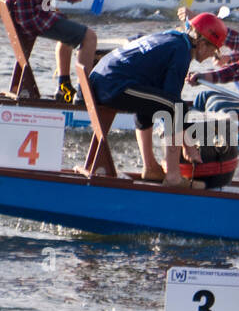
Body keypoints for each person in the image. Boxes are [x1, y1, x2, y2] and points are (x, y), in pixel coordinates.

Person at [87, 13, 226, 185]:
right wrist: (188, 145)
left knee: (152, 103)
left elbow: (161, 98)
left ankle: (150, 167)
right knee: (177, 108)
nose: (212, 56)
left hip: (100, 80)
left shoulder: (171, 36)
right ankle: (174, 176)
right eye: (214, 50)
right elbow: (173, 105)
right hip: (112, 85)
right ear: (203, 43)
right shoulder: (181, 52)